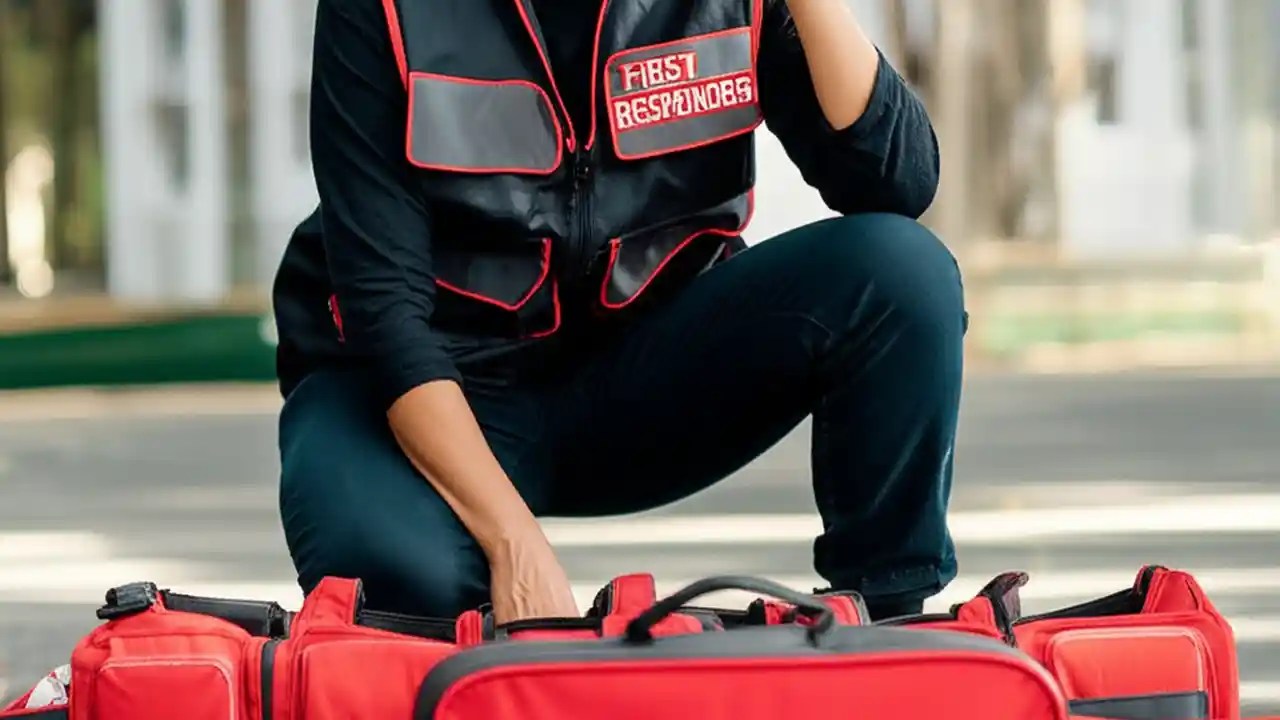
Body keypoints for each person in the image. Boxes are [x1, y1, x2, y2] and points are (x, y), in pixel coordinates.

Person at [272, 0, 965, 626]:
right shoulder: (386, 10)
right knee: (401, 578)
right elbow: (386, 317)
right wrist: (513, 541)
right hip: (428, 394)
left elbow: (895, 182)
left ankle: (886, 633)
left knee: (903, 274)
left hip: (641, 380)